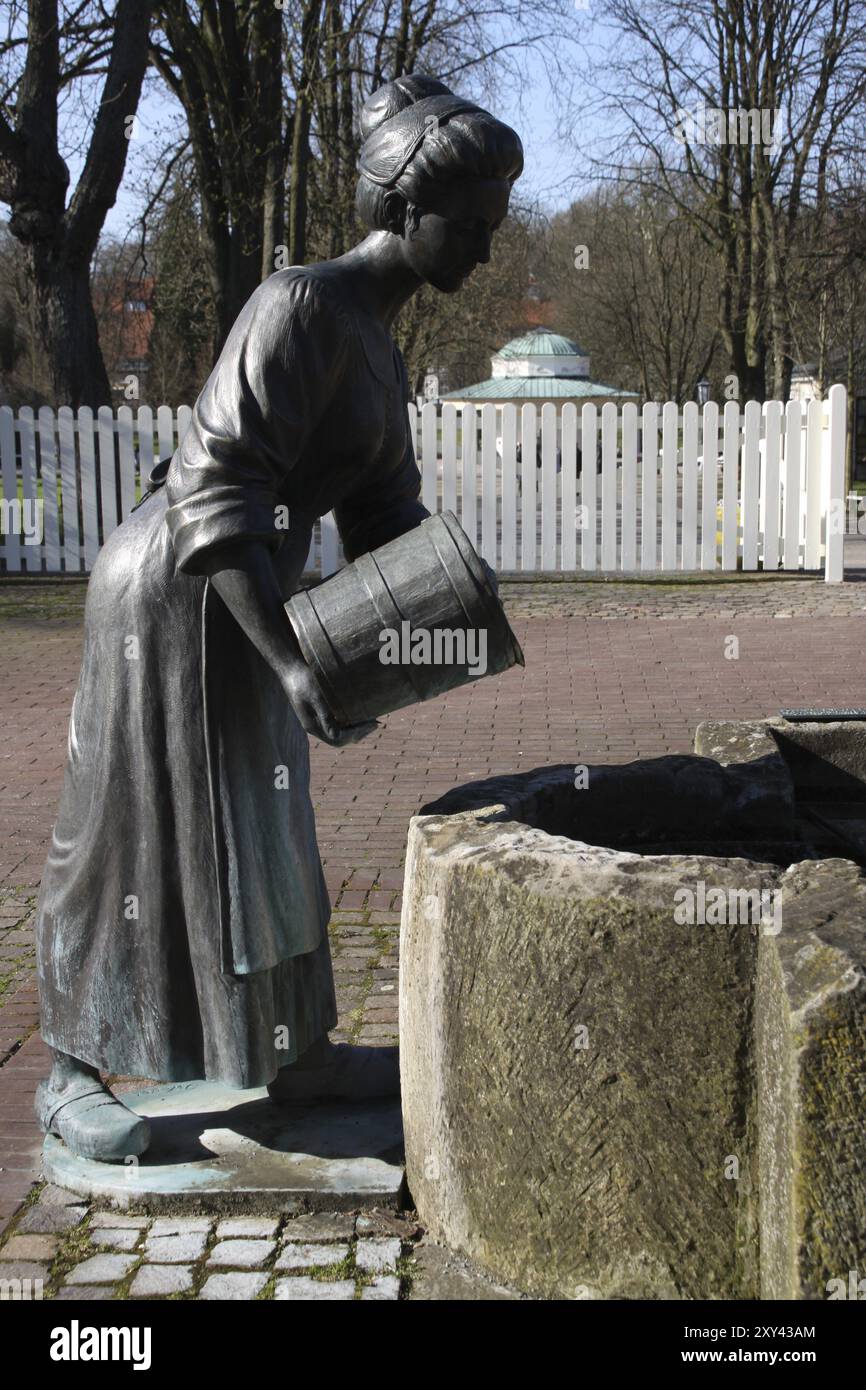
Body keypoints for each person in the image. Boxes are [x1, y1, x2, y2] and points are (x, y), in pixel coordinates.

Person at [34, 74, 523, 1162]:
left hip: (256, 599)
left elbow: (386, 517)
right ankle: (70, 1064)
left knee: (265, 829)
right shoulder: (298, 304)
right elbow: (218, 483)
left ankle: (292, 1050)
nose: (486, 249)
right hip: (177, 587)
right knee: (128, 826)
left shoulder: (380, 346)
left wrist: (426, 624)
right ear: (405, 208)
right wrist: (295, 662)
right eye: (475, 225)